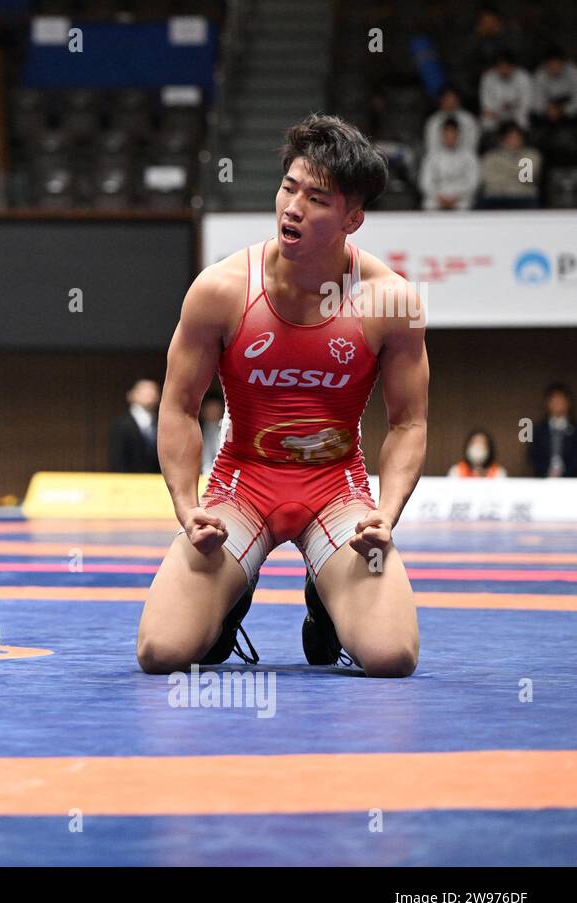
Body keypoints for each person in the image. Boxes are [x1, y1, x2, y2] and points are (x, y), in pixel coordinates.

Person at [137, 113, 426, 679]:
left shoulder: (391, 302)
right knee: (161, 653)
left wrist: (384, 515)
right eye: (288, 187)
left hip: (336, 489)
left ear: (352, 218)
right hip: (243, 483)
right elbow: (177, 407)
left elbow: (409, 424)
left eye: (317, 198)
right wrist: (187, 507)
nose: (293, 207)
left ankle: (326, 602)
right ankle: (229, 602)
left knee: (392, 658)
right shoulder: (221, 290)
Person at [419, 118, 480, 210]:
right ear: (442, 136)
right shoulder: (431, 156)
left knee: (464, 205)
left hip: (461, 197)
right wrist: (439, 197)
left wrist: (457, 198)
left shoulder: (469, 156)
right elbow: (425, 182)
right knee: (429, 204)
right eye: (447, 135)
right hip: (437, 197)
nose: (450, 138)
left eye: (453, 135)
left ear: (458, 135)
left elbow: (473, 182)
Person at [477, 121, 542, 208]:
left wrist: (503, 170)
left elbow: (526, 179)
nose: (515, 141)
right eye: (511, 137)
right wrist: (516, 172)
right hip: (496, 198)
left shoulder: (532, 155)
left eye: (517, 137)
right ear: (502, 140)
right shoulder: (490, 157)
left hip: (524, 197)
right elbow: (490, 182)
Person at [109, 378, 162, 473]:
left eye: (153, 391)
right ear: (132, 395)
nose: (150, 395)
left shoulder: (161, 424)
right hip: (129, 481)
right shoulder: (121, 425)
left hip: (157, 482)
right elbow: (117, 458)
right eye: (144, 392)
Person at [479, 50, 533, 135]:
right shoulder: (488, 77)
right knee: (487, 122)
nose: (503, 71)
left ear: (513, 66)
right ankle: (494, 145)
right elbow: (486, 104)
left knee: (523, 121)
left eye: (506, 67)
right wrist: (497, 112)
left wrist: (514, 113)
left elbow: (526, 103)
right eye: (500, 67)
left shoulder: (523, 77)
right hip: (495, 114)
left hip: (517, 113)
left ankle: (519, 143)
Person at [529, 383, 577, 478]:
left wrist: (565, 473)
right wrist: (547, 472)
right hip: (543, 481)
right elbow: (532, 456)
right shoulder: (538, 430)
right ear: (547, 403)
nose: (557, 403)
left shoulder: (575, 429)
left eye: (560, 399)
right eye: (553, 400)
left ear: (568, 402)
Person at [424, 87, 480, 156]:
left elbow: (472, 145)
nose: (450, 103)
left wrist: (457, 159)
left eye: (453, 99)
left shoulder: (469, 120)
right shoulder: (433, 122)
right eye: (447, 100)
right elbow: (431, 147)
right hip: (439, 161)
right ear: (441, 101)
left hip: (464, 159)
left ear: (458, 101)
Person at [199, 393, 225, 473]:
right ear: (202, 410)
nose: (212, 411)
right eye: (209, 407)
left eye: (215, 407)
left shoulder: (228, 431)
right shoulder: (195, 429)